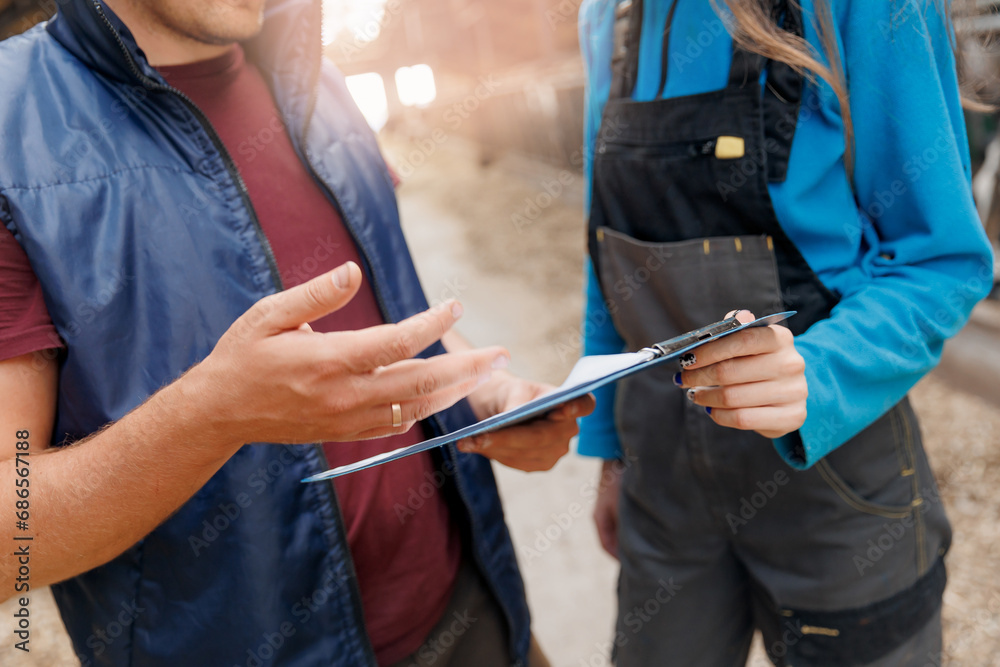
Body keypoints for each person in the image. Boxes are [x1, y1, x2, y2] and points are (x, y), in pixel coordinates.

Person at [0, 1, 594, 665]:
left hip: (472, 608)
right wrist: (211, 416)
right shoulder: (9, 131)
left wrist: (484, 393)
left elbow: (383, 317)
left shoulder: (317, 80)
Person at [576, 0, 995, 665]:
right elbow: (607, 253)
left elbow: (940, 260)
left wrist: (820, 374)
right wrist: (610, 450)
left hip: (836, 479)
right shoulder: (610, 16)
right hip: (662, 483)